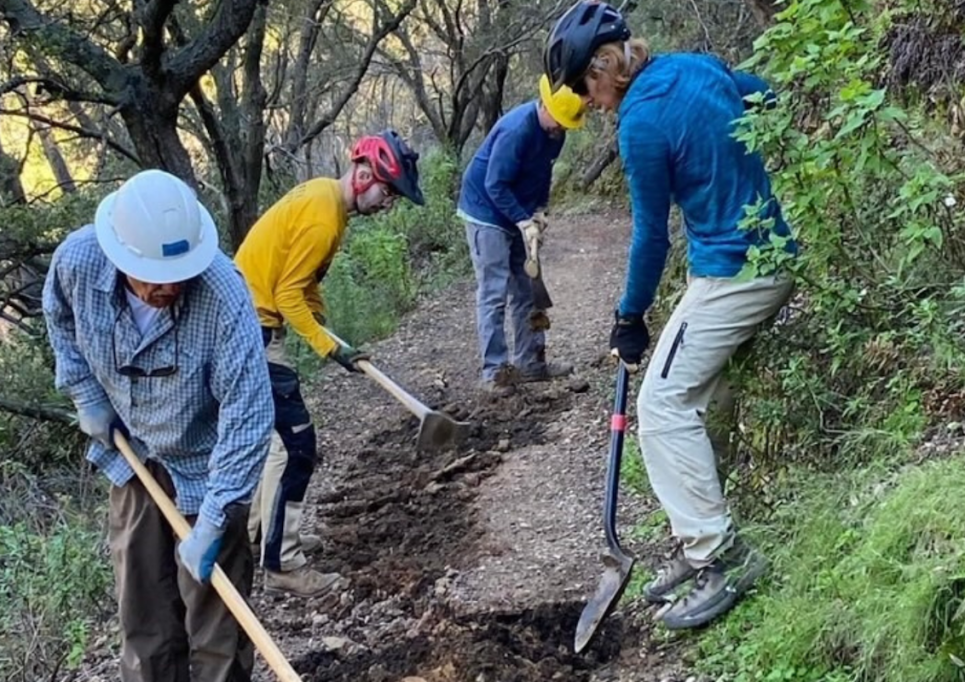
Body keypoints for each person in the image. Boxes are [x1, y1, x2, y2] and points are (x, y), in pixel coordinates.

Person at [544, 0, 797, 629]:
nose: (587, 100)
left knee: (659, 407)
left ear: (606, 65)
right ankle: (696, 539)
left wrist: (629, 315)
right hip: (766, 253)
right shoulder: (696, 66)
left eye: (584, 85)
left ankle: (724, 556)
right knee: (683, 394)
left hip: (738, 273)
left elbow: (651, 236)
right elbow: (768, 98)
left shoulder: (640, 121)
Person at [42, 168, 274, 682]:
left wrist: (213, 520)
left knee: (217, 624)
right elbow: (58, 317)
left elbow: (249, 413)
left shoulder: (223, 294)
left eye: (179, 273)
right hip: (132, 458)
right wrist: (84, 392)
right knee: (144, 615)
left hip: (207, 466)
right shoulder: (78, 262)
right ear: (121, 253)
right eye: (152, 275)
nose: (168, 286)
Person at [235, 129, 425, 598]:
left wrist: (319, 314)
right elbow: (285, 295)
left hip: (250, 323)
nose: (388, 204)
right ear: (362, 175)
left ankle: (263, 536)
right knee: (297, 445)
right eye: (387, 191)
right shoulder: (324, 217)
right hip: (251, 331)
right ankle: (282, 563)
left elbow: (300, 284)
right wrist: (329, 347)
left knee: (277, 443)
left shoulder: (326, 201)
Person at [457, 75, 586, 397]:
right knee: (494, 292)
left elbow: (543, 172)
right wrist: (521, 220)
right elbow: (494, 185)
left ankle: (530, 364)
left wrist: (540, 211)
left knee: (528, 288)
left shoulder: (556, 131)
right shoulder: (517, 130)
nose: (561, 129)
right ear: (544, 106)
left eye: (565, 125)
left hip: (518, 212)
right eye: (558, 121)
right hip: (486, 213)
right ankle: (495, 372)